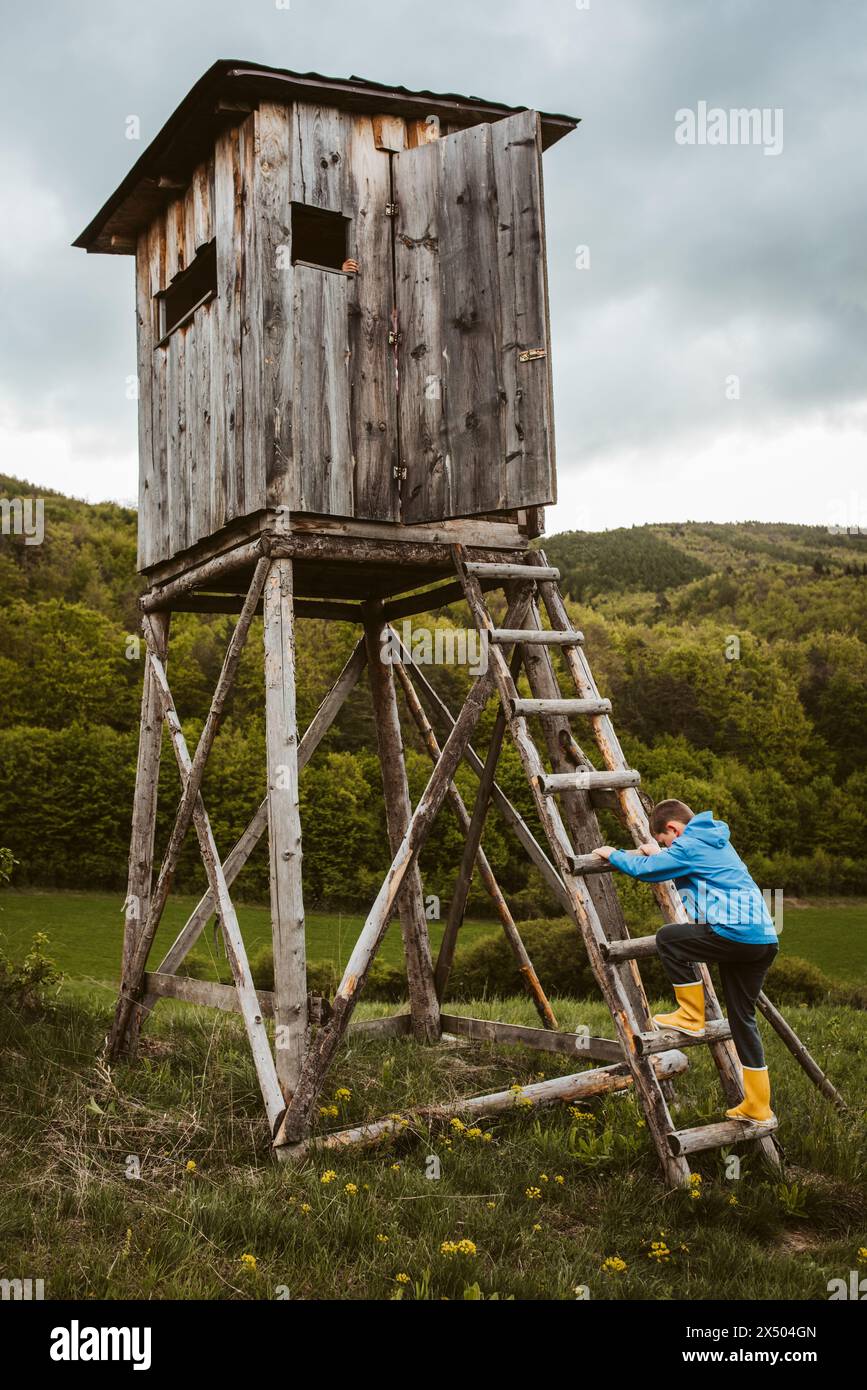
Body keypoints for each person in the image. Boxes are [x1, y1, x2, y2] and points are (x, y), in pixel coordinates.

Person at [593, 799, 779, 1125]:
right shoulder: (714, 840)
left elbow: (645, 872)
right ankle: (758, 1105)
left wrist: (614, 854)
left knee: (669, 938)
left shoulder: (689, 844)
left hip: (734, 934)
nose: (668, 846)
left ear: (673, 829)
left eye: (666, 841)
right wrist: (663, 853)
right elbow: (678, 863)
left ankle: (691, 1015)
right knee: (742, 1019)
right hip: (763, 939)